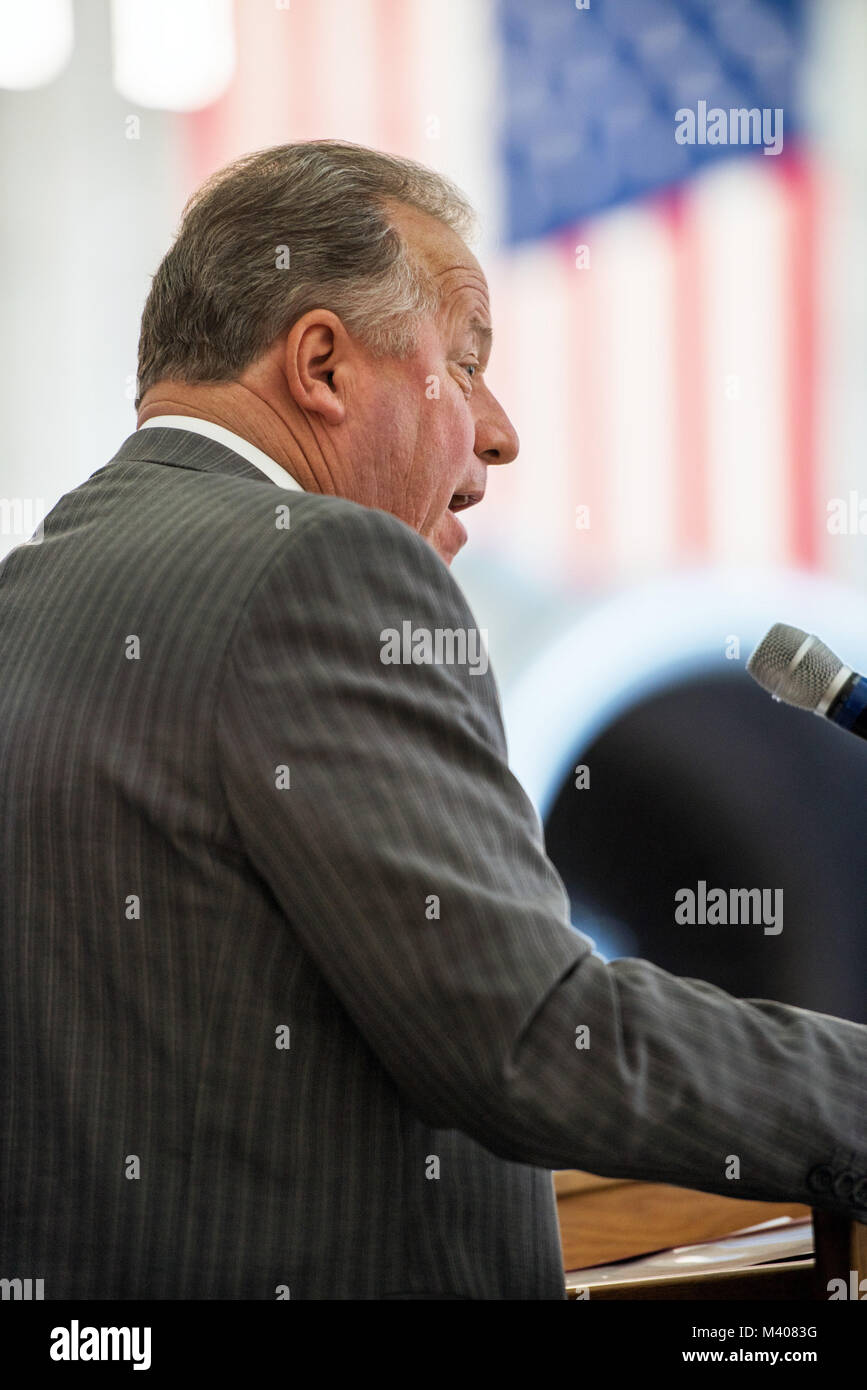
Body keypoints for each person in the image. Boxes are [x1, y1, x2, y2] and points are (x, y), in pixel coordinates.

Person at [1, 140, 864, 1301]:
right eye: (464, 363)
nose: (500, 434)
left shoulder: (32, 590)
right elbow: (531, 1037)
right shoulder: (319, 566)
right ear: (320, 363)